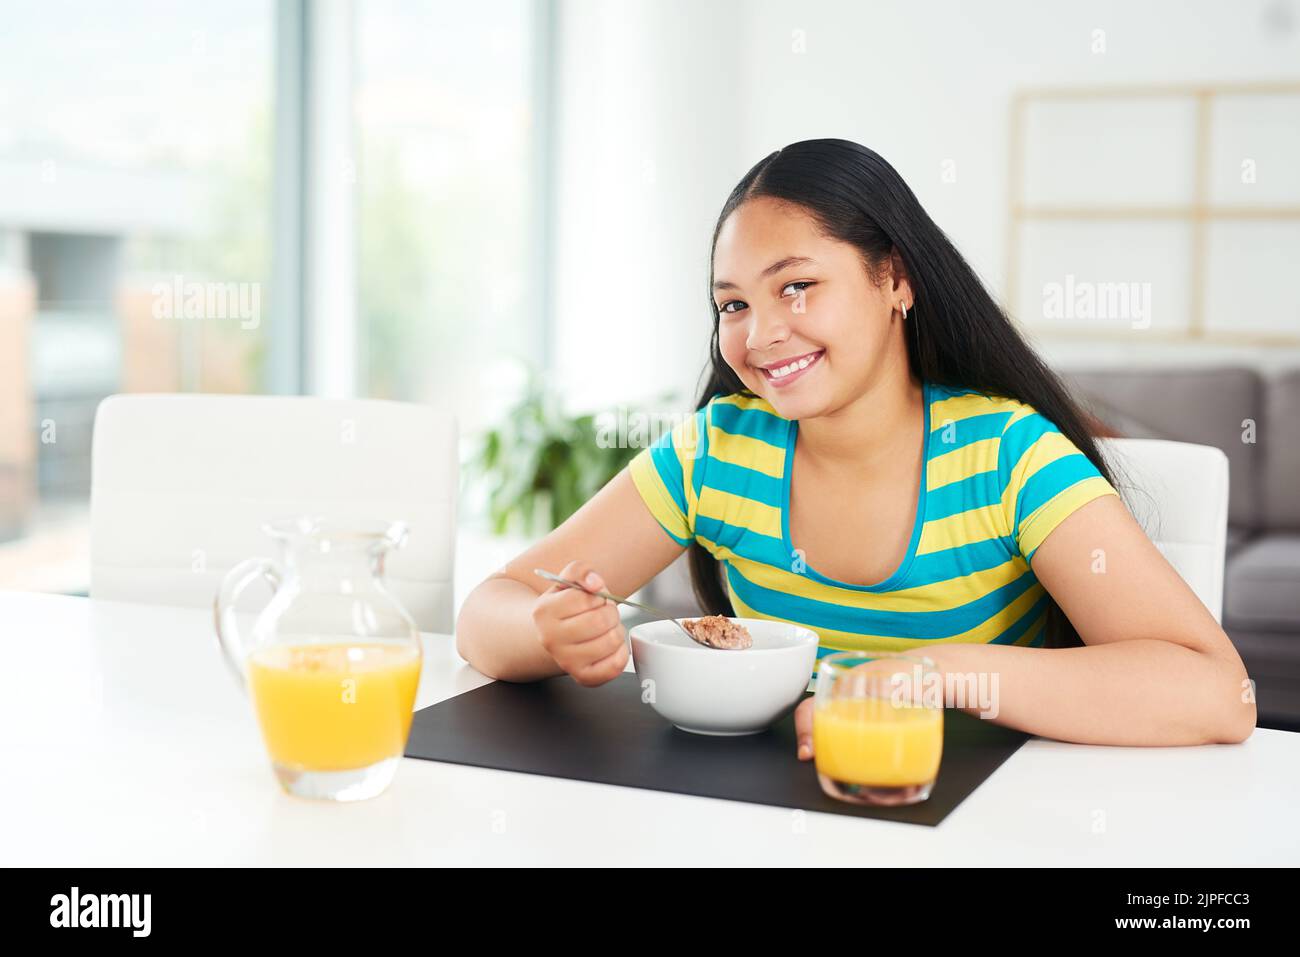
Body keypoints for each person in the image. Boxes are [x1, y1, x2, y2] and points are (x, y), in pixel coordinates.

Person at [456, 138, 1255, 752]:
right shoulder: (715, 455)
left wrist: (931, 676)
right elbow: (490, 609)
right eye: (732, 304)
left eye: (796, 286)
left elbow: (1218, 692)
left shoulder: (1008, 458)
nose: (762, 333)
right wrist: (547, 630)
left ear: (895, 280)